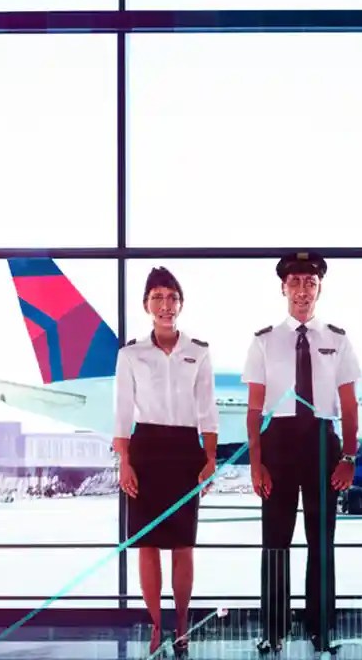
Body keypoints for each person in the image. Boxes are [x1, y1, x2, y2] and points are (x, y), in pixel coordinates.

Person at [243, 251, 361, 655]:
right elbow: (254, 409)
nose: (302, 290)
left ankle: (320, 628)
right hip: (277, 445)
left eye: (310, 283)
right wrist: (255, 464)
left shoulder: (338, 340)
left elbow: (349, 406)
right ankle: (274, 630)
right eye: (295, 282)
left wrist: (349, 457)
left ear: (319, 289)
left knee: (321, 541)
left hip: (322, 446)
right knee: (275, 540)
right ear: (283, 288)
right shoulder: (264, 341)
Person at [114, 267, 219, 657]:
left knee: (183, 544)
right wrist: (124, 462)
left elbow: (208, 412)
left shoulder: (199, 352)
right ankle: (156, 626)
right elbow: (122, 413)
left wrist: (210, 458)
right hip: (146, 450)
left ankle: (182, 625)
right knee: (147, 544)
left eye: (171, 297)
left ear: (181, 304)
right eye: (157, 297)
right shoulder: (130, 354)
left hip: (184, 451)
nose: (165, 305)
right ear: (146, 305)